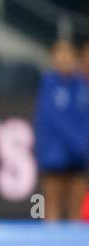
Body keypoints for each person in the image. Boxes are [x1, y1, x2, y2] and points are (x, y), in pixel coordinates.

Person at [33, 38, 89, 222]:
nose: (64, 59)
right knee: (53, 204)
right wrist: (76, 142)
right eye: (60, 54)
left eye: (68, 54)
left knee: (76, 206)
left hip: (79, 155)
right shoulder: (48, 84)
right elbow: (52, 121)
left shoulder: (82, 85)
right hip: (55, 154)